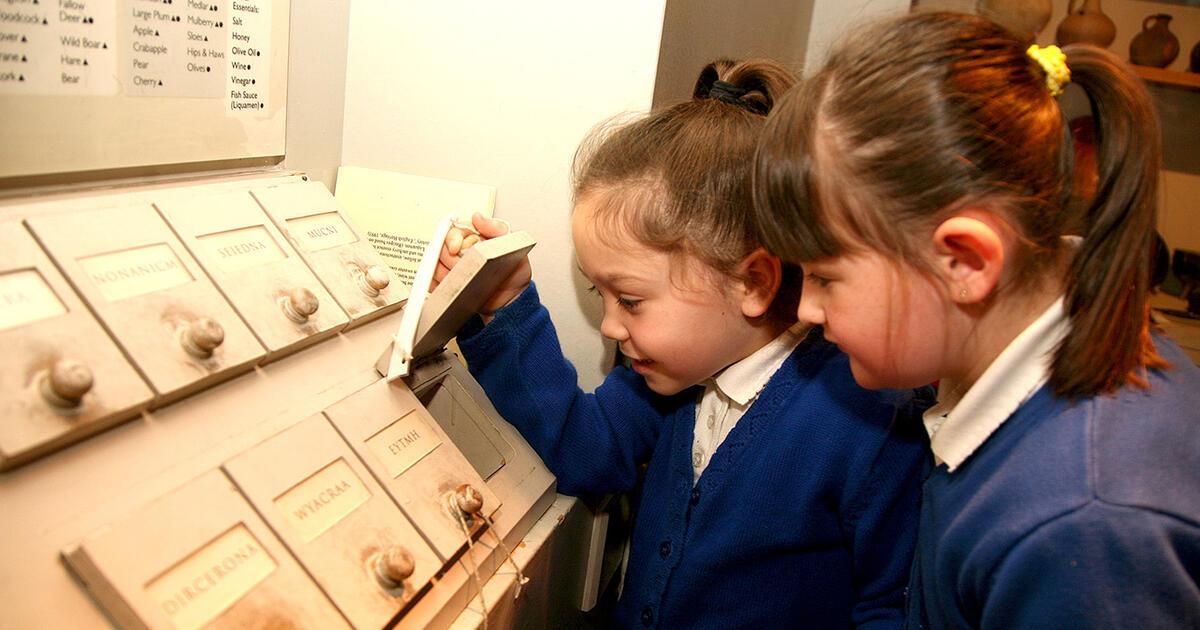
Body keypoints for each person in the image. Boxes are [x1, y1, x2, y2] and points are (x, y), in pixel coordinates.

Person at [435, 59, 931, 628]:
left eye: (631, 300)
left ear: (753, 282)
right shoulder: (668, 378)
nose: (610, 328)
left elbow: (892, 609)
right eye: (601, 297)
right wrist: (508, 311)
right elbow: (584, 452)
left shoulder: (872, 425)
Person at [752, 12, 1200, 629]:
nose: (804, 309)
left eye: (825, 278)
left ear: (965, 261)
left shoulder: (1085, 526)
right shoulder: (1003, 363)